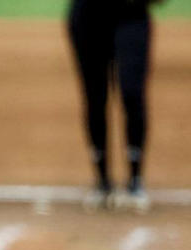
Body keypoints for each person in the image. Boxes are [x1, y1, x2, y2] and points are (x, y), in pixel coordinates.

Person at [68, 0, 159, 212]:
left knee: (132, 93)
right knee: (95, 97)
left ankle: (135, 180)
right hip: (88, 16)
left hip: (132, 14)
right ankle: (102, 182)